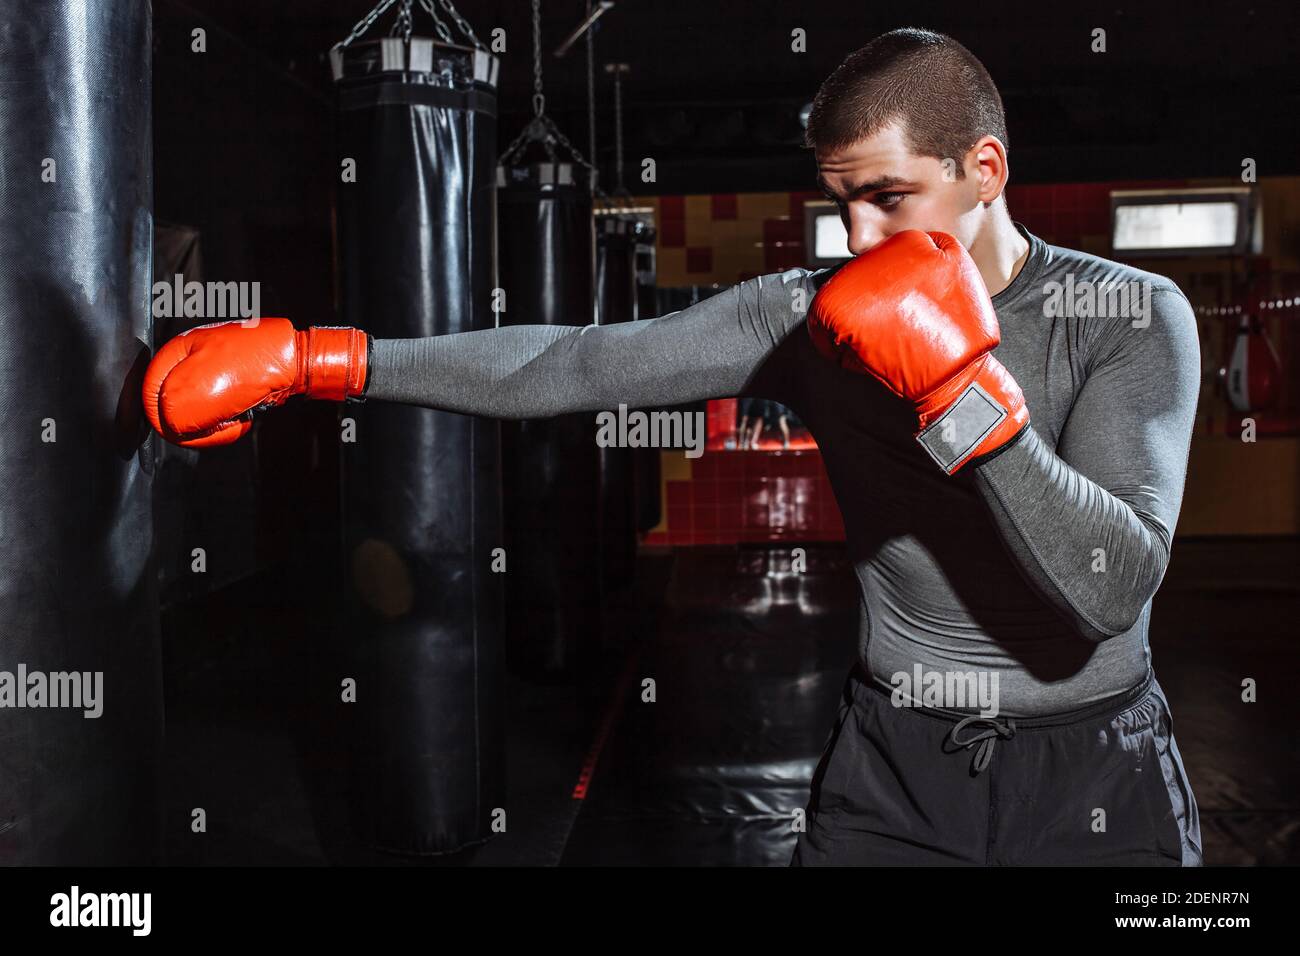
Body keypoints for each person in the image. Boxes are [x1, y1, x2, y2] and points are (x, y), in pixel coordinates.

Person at [143, 27, 1202, 866]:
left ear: (983, 168)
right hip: (896, 770)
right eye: (842, 208)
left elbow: (1110, 586)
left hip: (1095, 774)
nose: (861, 245)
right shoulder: (808, 312)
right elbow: (575, 364)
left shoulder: (1124, 315)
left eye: (889, 199)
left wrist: (962, 394)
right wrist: (330, 359)